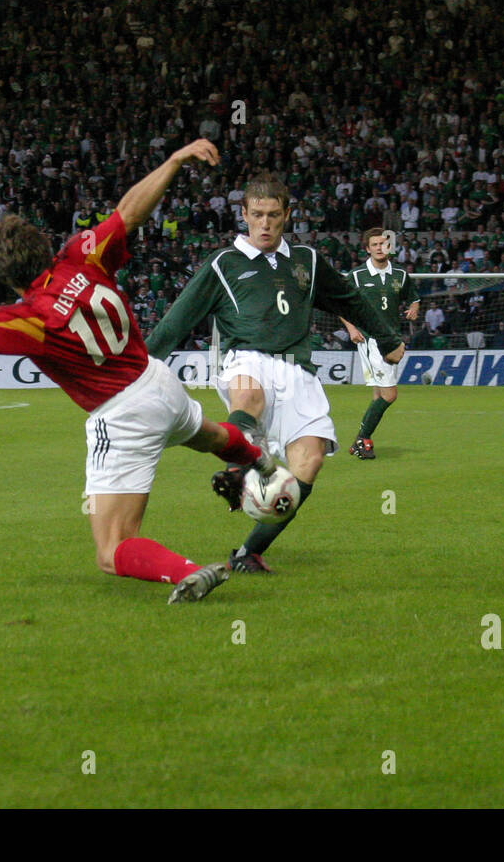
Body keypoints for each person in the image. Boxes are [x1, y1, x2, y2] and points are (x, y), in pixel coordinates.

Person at [0, 139, 270, 603]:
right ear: (42, 245)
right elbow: (130, 212)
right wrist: (175, 160)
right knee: (208, 437)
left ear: (4, 276)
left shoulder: (32, 315)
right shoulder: (82, 255)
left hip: (123, 412)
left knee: (111, 548)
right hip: (157, 379)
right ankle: (262, 463)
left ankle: (189, 571)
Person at [146, 172, 405, 574]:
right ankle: (236, 473)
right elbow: (176, 322)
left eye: (272, 215)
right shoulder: (223, 264)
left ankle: (247, 553)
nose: (264, 224)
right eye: (256, 215)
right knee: (249, 396)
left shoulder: (308, 261)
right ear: (244, 215)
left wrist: (388, 339)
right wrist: (140, 367)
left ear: (287, 214)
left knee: (310, 463)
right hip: (246, 359)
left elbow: (351, 300)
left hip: (299, 372)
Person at [338, 227, 419, 459]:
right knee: (389, 394)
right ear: (367, 249)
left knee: (378, 393)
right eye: (374, 245)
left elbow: (413, 298)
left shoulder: (400, 275)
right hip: (371, 340)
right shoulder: (356, 275)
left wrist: (413, 309)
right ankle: (362, 440)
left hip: (392, 339)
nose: (379, 248)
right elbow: (339, 303)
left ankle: (359, 442)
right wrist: (351, 327)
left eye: (383, 244)